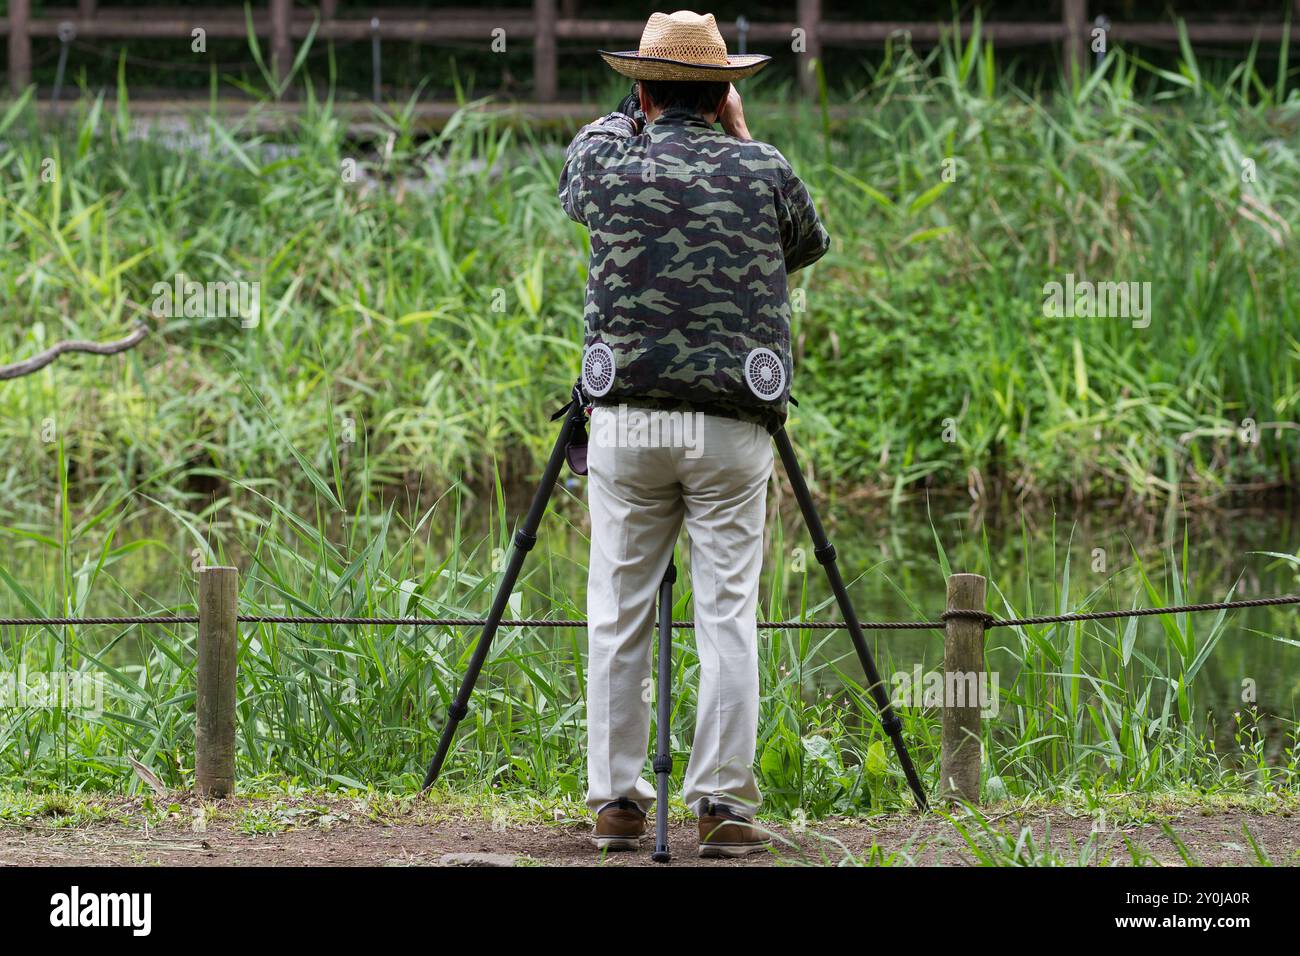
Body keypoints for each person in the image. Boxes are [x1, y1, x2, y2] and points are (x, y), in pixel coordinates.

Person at [558, 9, 830, 858]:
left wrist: (634, 111)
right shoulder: (765, 167)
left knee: (617, 613)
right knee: (727, 615)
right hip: (731, 427)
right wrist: (737, 137)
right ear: (725, 95)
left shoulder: (606, 155)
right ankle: (723, 810)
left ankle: (616, 805)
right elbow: (805, 245)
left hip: (631, 420)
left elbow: (577, 180)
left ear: (639, 89)